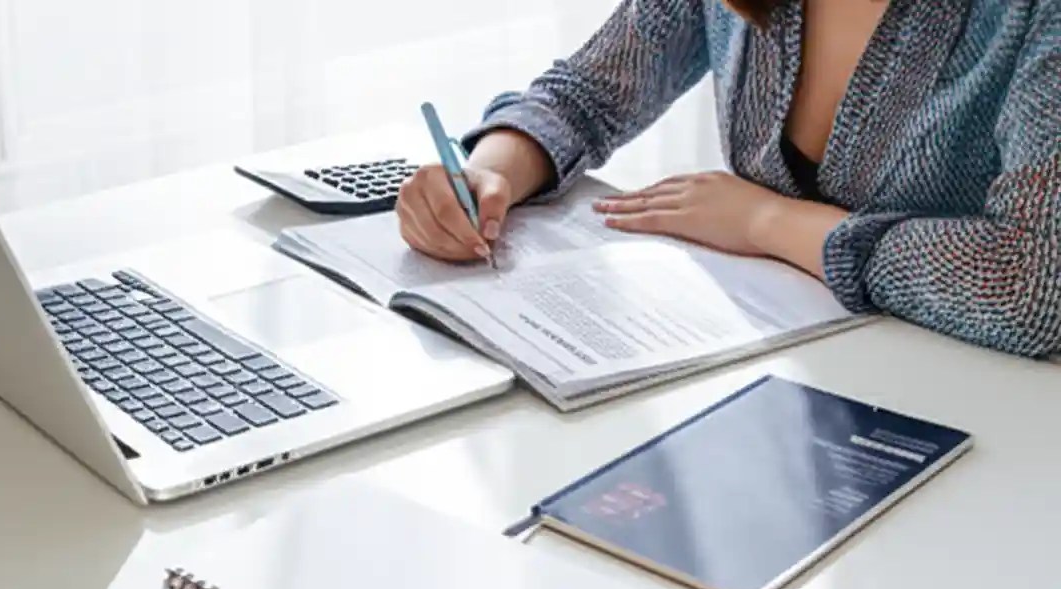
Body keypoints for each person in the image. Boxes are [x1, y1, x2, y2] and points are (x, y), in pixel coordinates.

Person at [395, 0, 1061, 357]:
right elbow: (587, 93)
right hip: (803, 384)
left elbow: (1035, 286)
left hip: (994, 427)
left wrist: (767, 223)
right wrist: (489, 172)